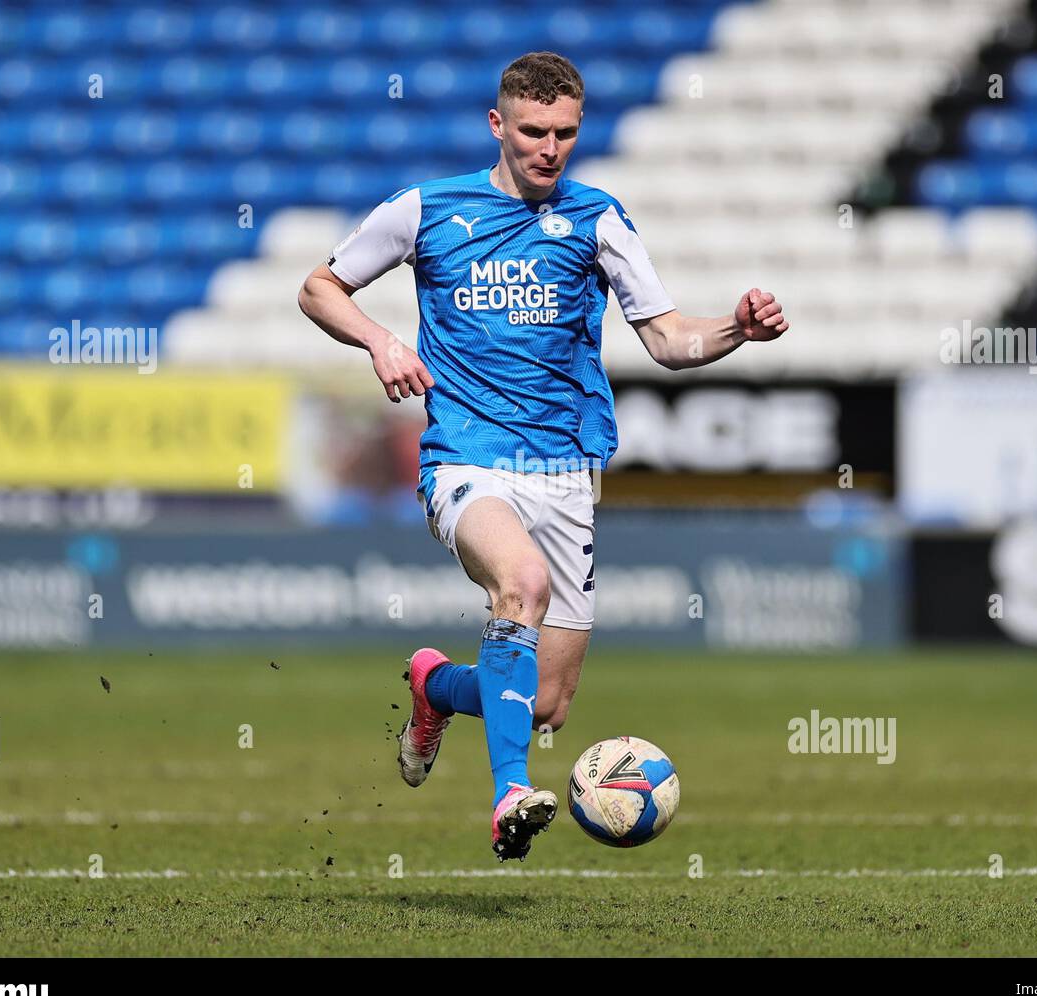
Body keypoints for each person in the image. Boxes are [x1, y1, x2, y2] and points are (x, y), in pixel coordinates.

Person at [298, 51, 789, 861]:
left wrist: (739, 328)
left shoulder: (599, 218)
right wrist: (382, 341)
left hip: (565, 474)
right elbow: (318, 287)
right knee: (519, 583)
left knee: (548, 702)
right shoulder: (428, 209)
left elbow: (666, 339)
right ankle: (507, 797)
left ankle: (434, 687)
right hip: (465, 461)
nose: (548, 148)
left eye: (564, 132)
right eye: (532, 131)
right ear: (498, 125)